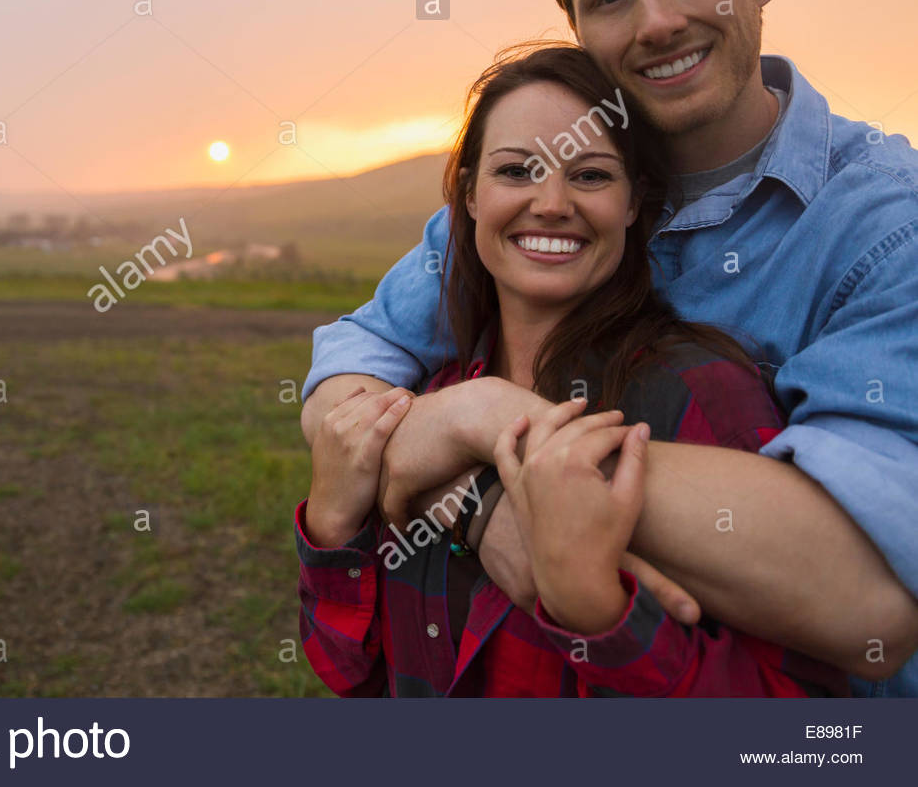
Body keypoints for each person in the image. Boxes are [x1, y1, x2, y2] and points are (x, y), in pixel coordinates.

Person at [300, 0, 918, 696]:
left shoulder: (888, 228)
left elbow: (869, 602)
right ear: (579, 25)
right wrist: (480, 498)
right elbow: (349, 368)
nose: (659, 20)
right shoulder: (546, 201)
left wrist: (486, 430)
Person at [297, 43, 845, 696]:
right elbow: (349, 672)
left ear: (635, 203)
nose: (552, 202)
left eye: (589, 175)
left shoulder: (698, 394)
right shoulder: (426, 395)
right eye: (517, 170)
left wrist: (599, 614)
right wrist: (332, 524)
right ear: (469, 197)